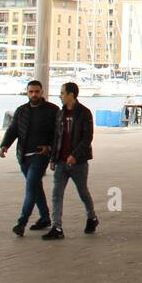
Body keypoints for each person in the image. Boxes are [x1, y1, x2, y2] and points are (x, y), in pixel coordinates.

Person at [0, 81, 60, 237]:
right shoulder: (21, 111)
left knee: (31, 186)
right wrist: (5, 145)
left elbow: (58, 134)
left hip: (40, 156)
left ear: (42, 92)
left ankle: (22, 222)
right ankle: (45, 217)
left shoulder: (52, 110)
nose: (34, 94)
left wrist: (50, 148)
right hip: (23, 157)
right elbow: (13, 129)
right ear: (27, 92)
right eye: (31, 91)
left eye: (37, 91)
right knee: (35, 187)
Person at [45, 83, 98, 240]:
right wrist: (53, 158)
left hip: (78, 163)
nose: (60, 95)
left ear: (71, 94)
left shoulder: (84, 113)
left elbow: (87, 138)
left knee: (82, 192)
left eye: (62, 93)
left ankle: (92, 217)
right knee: (56, 194)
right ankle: (57, 227)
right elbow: (57, 137)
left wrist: (75, 155)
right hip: (61, 162)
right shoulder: (60, 114)